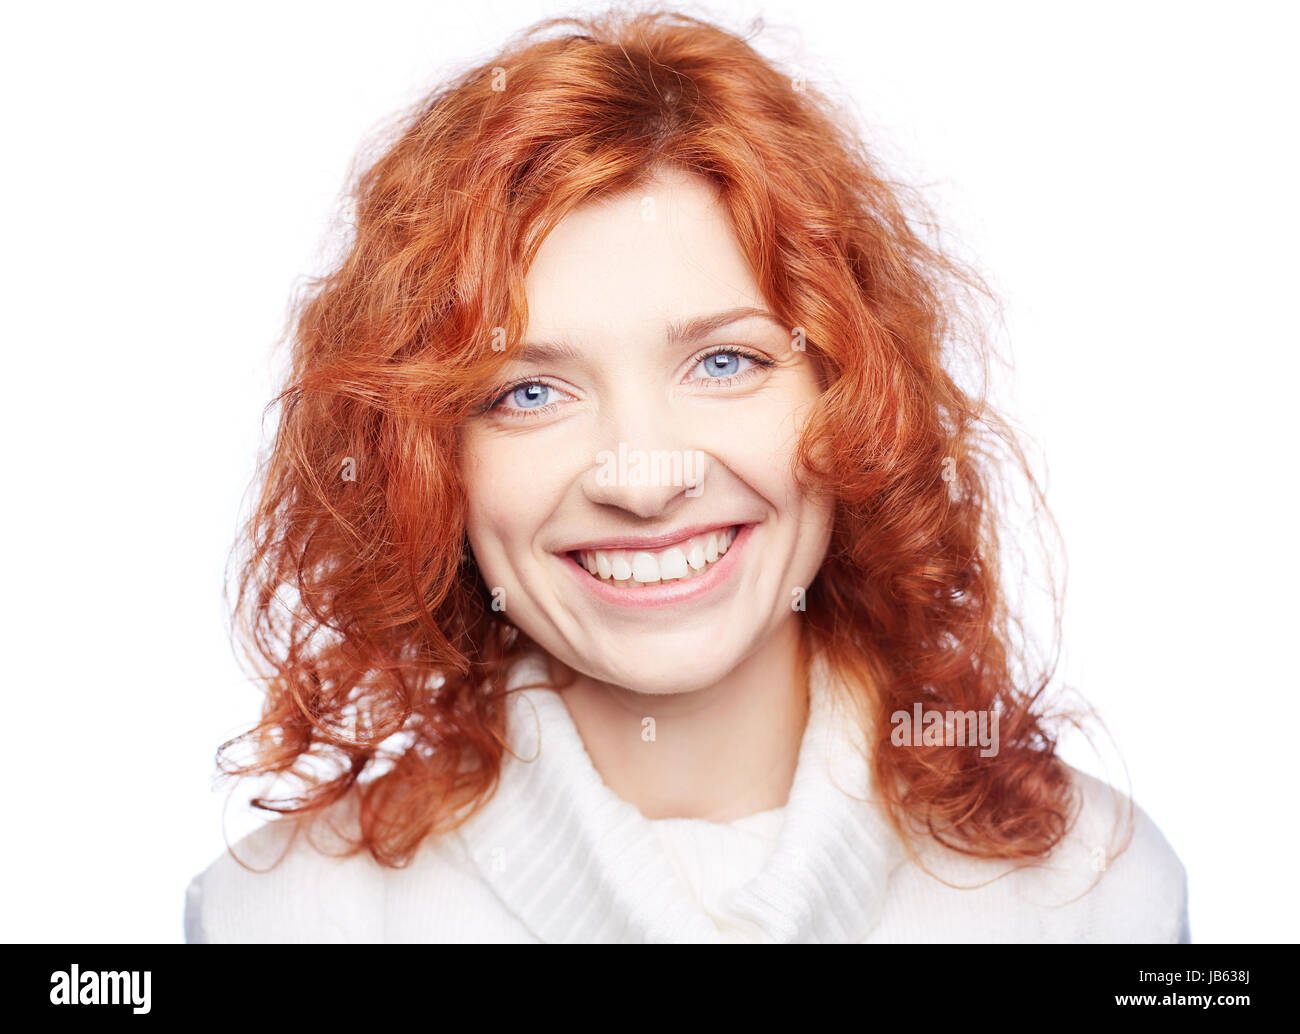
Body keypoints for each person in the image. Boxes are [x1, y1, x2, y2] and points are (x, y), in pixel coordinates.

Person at [185, 8, 1188, 943]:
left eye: (725, 362)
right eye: (528, 392)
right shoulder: (273, 918)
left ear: (853, 394)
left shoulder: (1094, 892)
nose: (643, 475)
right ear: (429, 456)